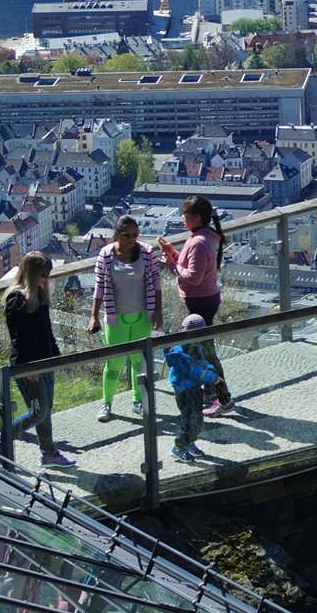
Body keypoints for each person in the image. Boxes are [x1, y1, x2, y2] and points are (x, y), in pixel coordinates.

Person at [157, 195, 233, 415]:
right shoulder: (205, 236)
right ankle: (211, 394)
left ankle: (223, 398)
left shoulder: (199, 241)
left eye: (185, 214)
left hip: (200, 302)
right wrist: (173, 252)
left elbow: (193, 276)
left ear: (196, 217)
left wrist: (171, 265)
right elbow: (192, 264)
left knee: (207, 352)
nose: (182, 217)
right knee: (201, 350)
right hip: (205, 299)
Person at [4, 252, 75, 467]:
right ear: (32, 274)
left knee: (45, 409)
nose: (47, 279)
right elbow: (19, 337)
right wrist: (29, 367)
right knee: (38, 411)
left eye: (48, 274)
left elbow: (45, 332)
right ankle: (4, 435)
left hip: (45, 362)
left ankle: (48, 453)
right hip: (28, 366)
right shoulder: (16, 299)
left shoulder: (40, 296)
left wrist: (56, 356)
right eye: (43, 274)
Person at [89, 216, 161, 422]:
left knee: (140, 361)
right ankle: (106, 402)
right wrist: (93, 316)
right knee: (114, 362)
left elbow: (156, 283)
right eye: (127, 235)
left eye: (135, 235)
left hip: (142, 315)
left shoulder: (147, 253)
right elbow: (99, 286)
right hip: (115, 317)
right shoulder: (106, 255)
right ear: (117, 235)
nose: (132, 239)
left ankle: (138, 401)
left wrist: (158, 311)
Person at [164, 314, 219, 462]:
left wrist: (209, 368)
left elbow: (202, 362)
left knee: (197, 417)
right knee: (189, 419)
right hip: (184, 389)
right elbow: (193, 370)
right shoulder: (179, 352)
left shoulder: (194, 346)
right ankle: (179, 447)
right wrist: (210, 375)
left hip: (193, 387)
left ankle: (189, 443)